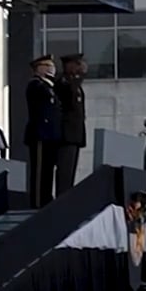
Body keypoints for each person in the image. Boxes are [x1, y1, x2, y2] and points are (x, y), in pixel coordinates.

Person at [24, 55, 62, 208]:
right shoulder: (36, 85)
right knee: (40, 170)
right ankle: (38, 201)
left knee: (48, 170)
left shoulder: (49, 87)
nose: (51, 68)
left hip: (51, 135)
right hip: (40, 133)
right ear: (39, 68)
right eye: (47, 65)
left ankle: (46, 198)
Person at [55, 54, 89, 197]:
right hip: (66, 134)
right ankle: (62, 197)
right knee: (65, 171)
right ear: (69, 65)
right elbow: (68, 98)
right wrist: (78, 77)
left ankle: (67, 196)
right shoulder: (64, 83)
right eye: (77, 64)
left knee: (71, 171)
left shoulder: (75, 84)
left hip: (74, 134)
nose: (80, 67)